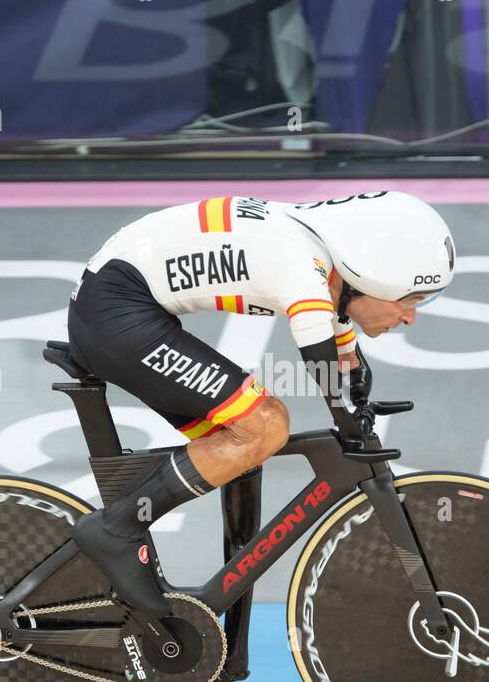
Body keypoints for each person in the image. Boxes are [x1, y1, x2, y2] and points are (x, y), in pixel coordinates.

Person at [68, 190, 456, 615]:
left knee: (240, 451)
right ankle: (118, 528)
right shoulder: (298, 263)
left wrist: (357, 379)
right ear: (372, 281)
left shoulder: (325, 264)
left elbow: (339, 340)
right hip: (114, 312)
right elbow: (319, 354)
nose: (410, 317)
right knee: (265, 426)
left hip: (118, 304)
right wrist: (344, 415)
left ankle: (224, 627)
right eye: (410, 300)